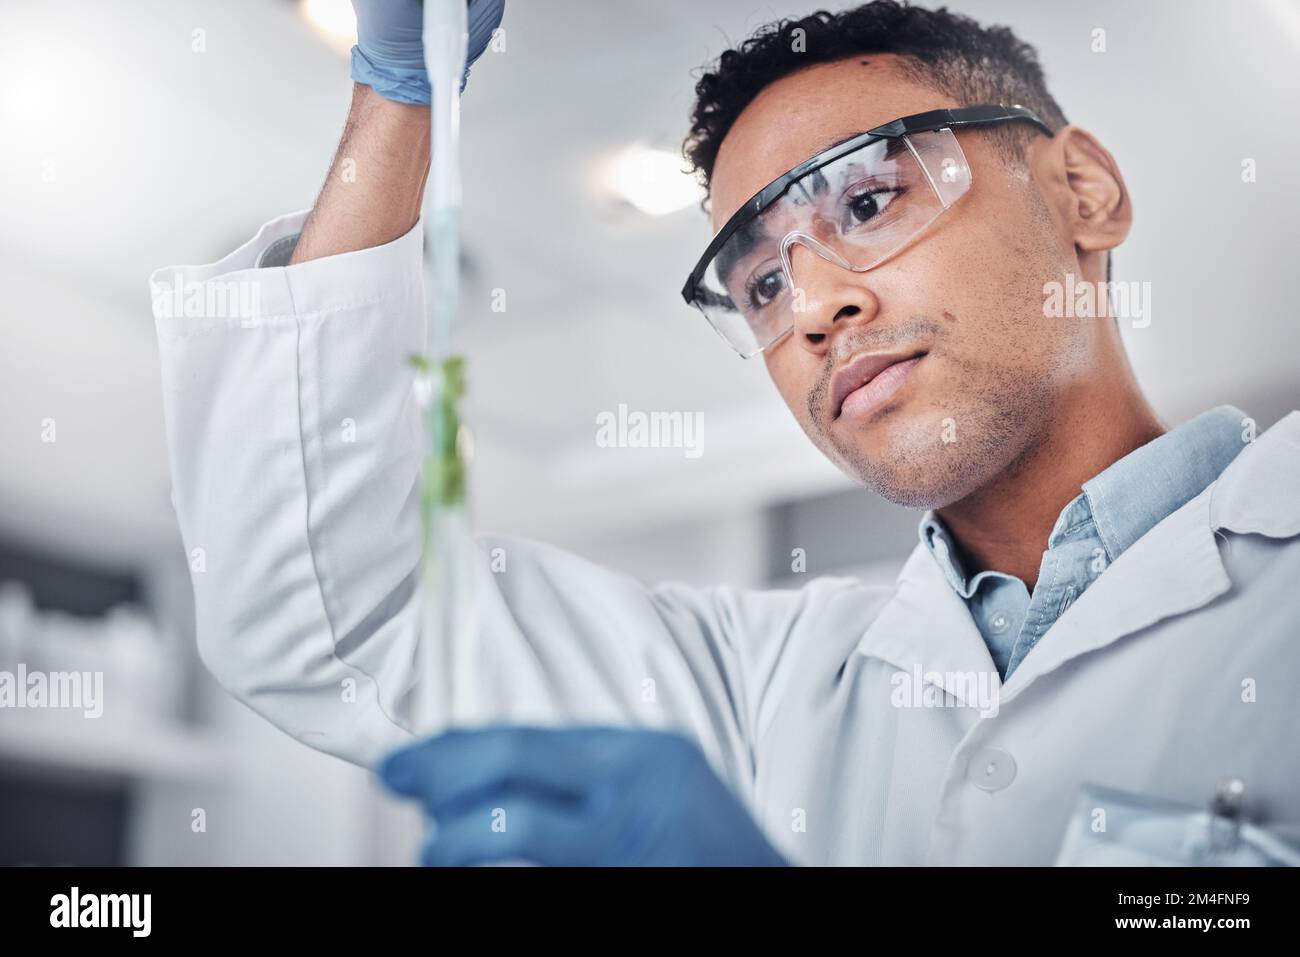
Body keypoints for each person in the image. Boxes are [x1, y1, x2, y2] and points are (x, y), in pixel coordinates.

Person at [150, 0, 1300, 866]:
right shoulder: (759, 682)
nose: (811, 311)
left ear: (1083, 191)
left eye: (865, 202)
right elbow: (327, 611)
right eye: (757, 286)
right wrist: (398, 97)